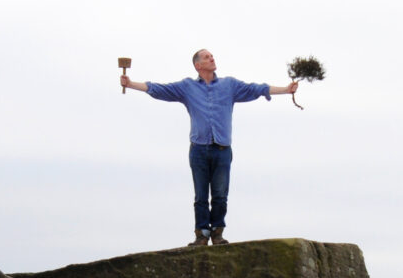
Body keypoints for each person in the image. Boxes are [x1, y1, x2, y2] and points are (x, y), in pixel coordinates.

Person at [122, 49, 298, 246]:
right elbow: (158, 89)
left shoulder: (229, 85)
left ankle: (217, 233)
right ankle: (201, 235)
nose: (212, 58)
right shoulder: (187, 87)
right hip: (198, 149)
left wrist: (285, 89)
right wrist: (130, 84)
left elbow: (256, 89)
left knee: (221, 195)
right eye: (207, 57)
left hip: (222, 148)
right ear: (198, 65)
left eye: (212, 56)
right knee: (200, 196)